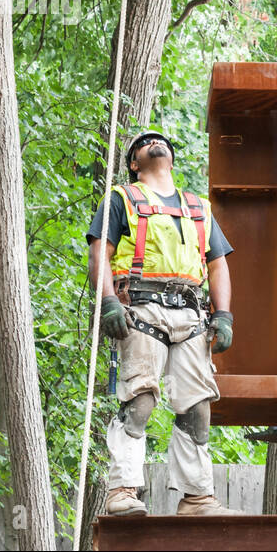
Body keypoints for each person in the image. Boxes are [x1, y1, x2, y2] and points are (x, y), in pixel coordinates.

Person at [86, 130, 239, 516]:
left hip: (191, 315)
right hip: (140, 309)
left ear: (171, 158)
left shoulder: (197, 207)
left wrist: (223, 315)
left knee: (197, 407)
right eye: (143, 143)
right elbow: (99, 254)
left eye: (160, 141)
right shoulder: (121, 199)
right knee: (139, 399)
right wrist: (107, 302)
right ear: (134, 163)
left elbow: (217, 264)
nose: (154, 142)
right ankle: (122, 489)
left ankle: (197, 496)